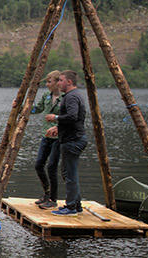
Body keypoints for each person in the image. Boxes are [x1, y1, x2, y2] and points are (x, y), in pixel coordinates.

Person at [44, 70, 88, 216]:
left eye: (61, 80)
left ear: (69, 82)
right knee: (68, 173)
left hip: (73, 140)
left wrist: (55, 117)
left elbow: (73, 116)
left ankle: (71, 208)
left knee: (70, 174)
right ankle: (76, 204)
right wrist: (59, 127)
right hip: (72, 138)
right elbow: (73, 119)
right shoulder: (73, 96)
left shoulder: (71, 97)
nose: (58, 83)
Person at [31, 70, 63, 210]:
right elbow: (37, 109)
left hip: (59, 138)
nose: (47, 84)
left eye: (49, 82)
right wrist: (21, 108)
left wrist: (58, 125)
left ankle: (53, 199)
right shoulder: (46, 96)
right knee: (39, 165)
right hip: (46, 136)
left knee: (51, 167)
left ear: (57, 82)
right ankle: (46, 193)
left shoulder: (65, 97)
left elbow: (70, 117)